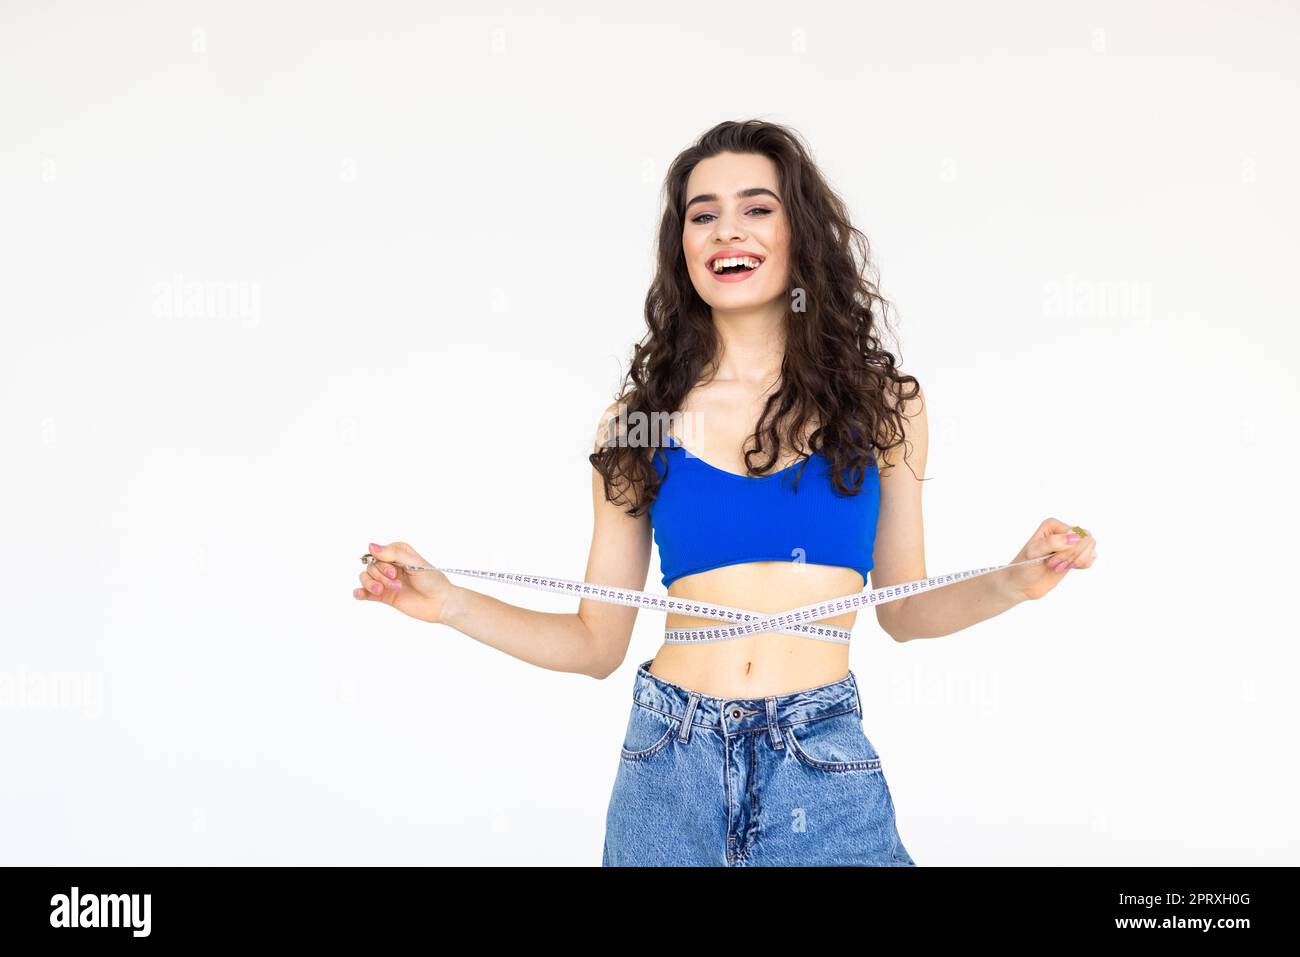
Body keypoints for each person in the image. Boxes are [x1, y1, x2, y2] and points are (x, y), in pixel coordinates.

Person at [353, 119, 1098, 866]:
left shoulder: (883, 405)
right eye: (701, 214)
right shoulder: (638, 423)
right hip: (668, 768)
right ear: (682, 246)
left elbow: (902, 609)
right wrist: (450, 603)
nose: (724, 230)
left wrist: (1012, 582)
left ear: (800, 233)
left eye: (756, 208)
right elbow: (595, 642)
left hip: (821, 762)